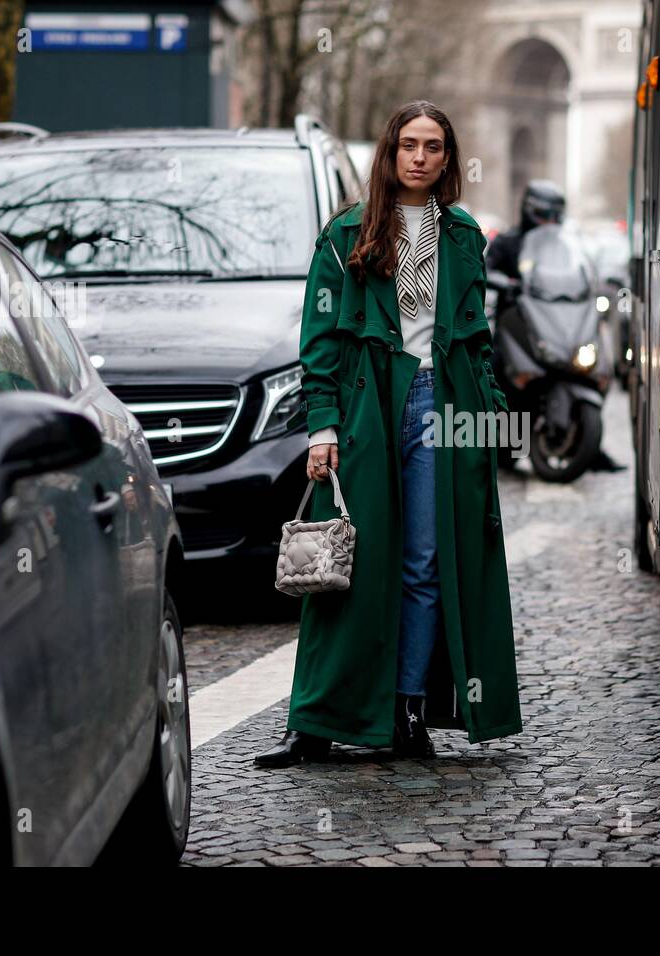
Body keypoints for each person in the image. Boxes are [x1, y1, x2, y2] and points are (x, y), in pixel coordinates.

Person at [253, 100, 523, 768]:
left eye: (434, 146)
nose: (421, 157)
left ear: (448, 158)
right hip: (368, 411)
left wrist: (489, 418)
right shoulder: (345, 233)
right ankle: (314, 721)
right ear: (390, 152)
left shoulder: (463, 236)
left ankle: (407, 713)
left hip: (445, 408)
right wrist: (322, 427)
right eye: (410, 144)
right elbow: (319, 344)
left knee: (429, 561)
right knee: (348, 565)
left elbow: (478, 340)